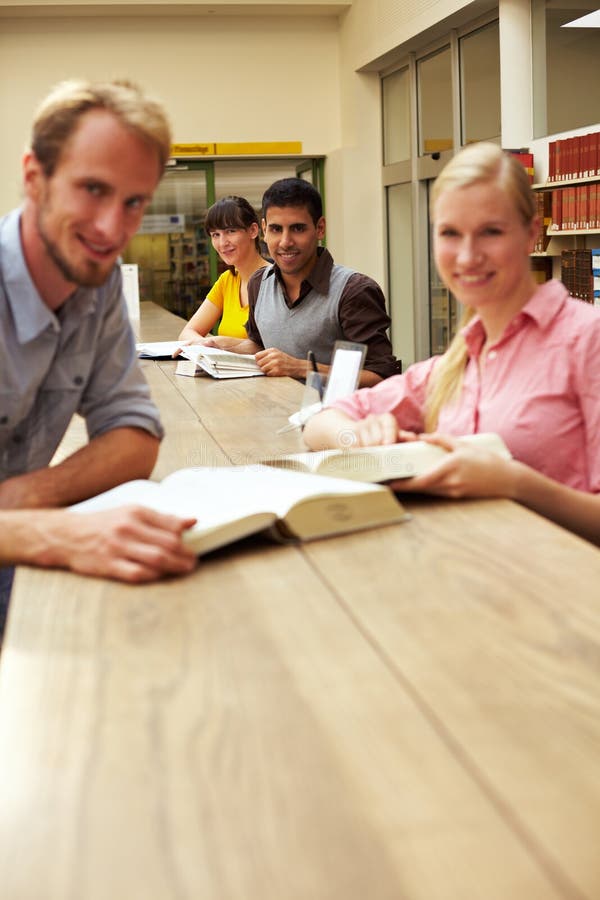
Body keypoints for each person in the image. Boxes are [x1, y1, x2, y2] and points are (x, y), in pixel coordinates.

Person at [303, 142, 600, 545]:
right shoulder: (456, 363)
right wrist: (358, 439)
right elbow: (319, 423)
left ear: (532, 233)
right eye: (450, 233)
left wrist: (515, 483)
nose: (466, 256)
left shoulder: (587, 340)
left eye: (490, 232)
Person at [0, 78, 198, 631]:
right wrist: (50, 530)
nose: (113, 229)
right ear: (35, 178)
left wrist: (27, 496)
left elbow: (134, 434)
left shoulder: (98, 283)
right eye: (92, 188)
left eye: (133, 201)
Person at [200, 178, 400, 386]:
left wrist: (300, 367)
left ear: (320, 228)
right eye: (276, 229)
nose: (286, 242)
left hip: (331, 416)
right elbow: (260, 345)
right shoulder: (259, 283)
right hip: (268, 413)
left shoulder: (353, 291)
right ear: (264, 230)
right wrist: (219, 348)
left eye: (297, 228)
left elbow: (381, 376)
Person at [177, 195, 268, 342]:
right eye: (215, 234)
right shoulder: (227, 280)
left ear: (253, 230)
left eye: (231, 231)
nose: (222, 243)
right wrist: (210, 344)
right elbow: (188, 332)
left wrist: (222, 345)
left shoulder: (276, 280)